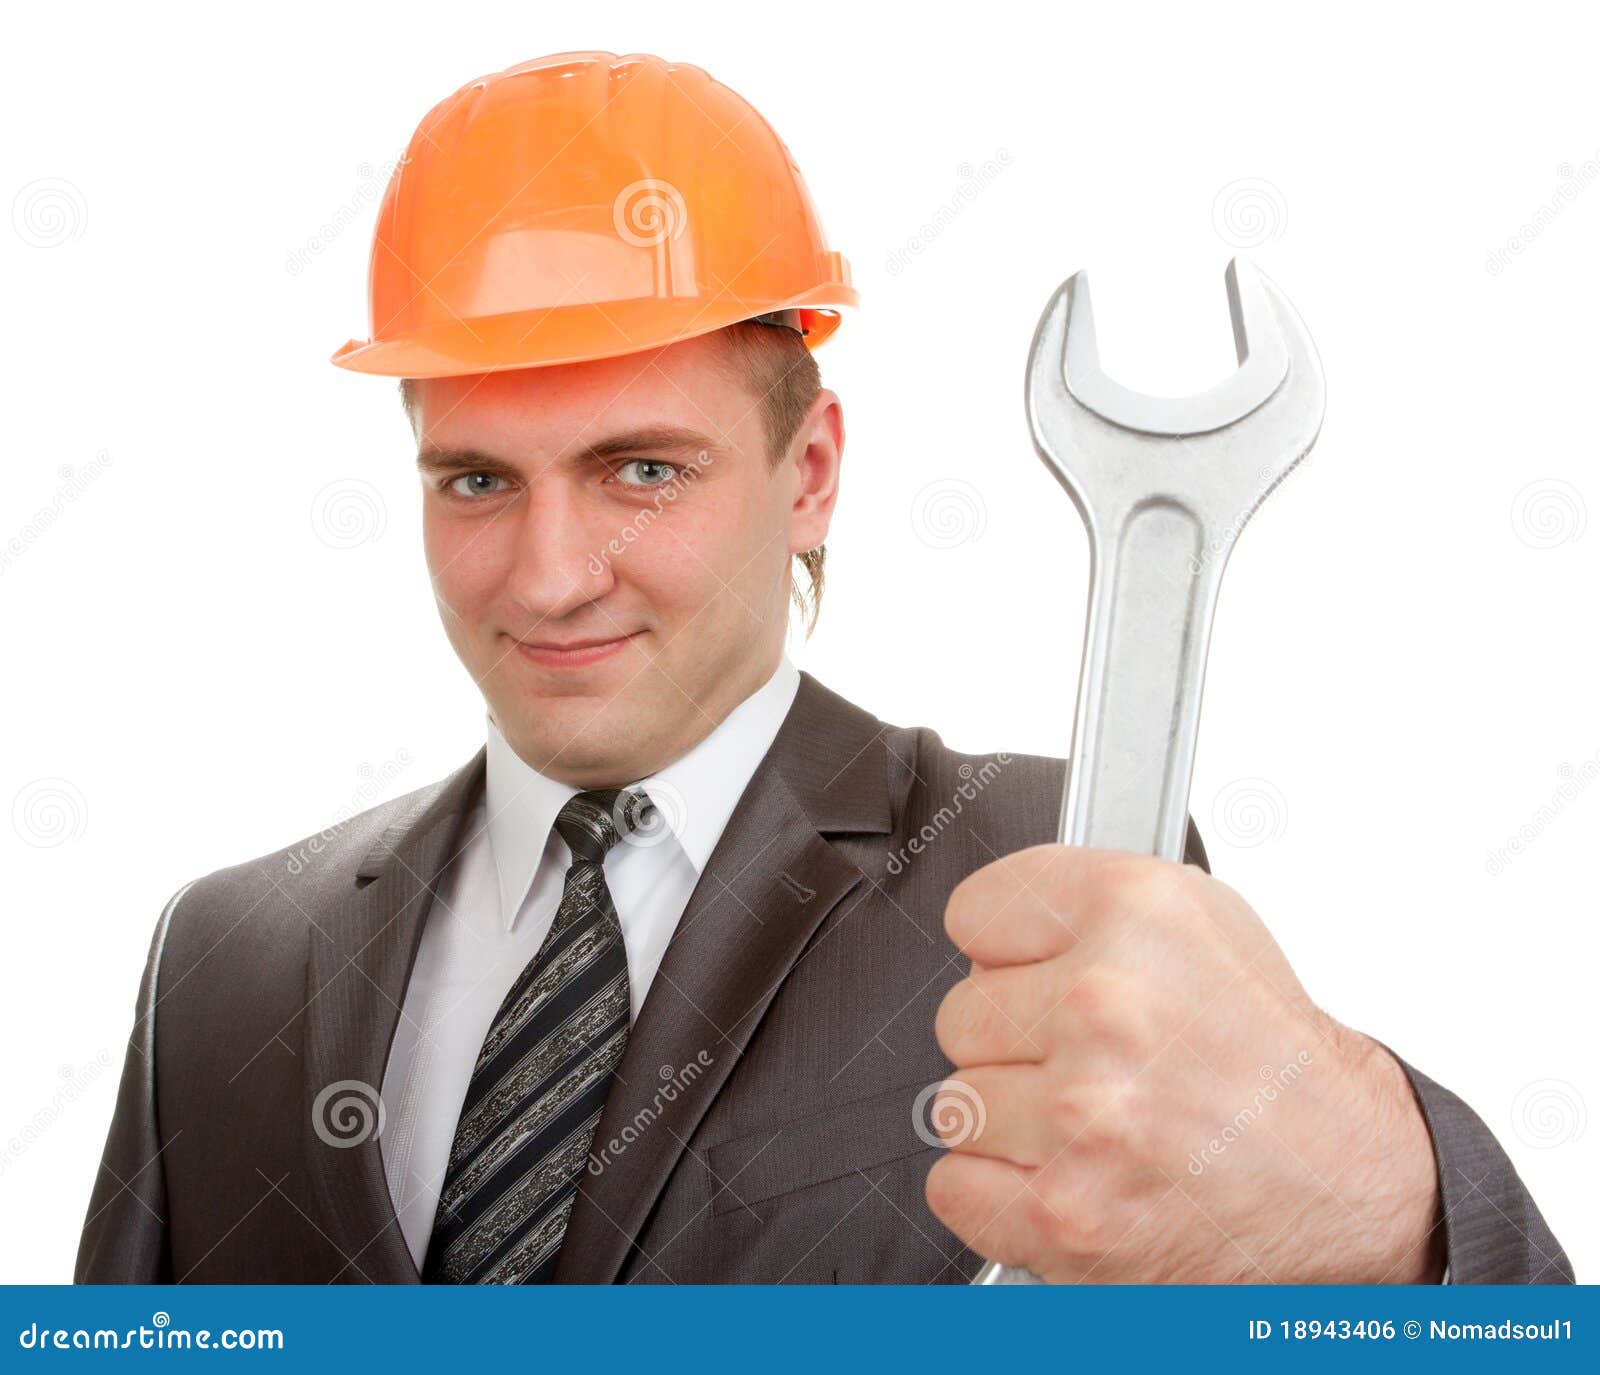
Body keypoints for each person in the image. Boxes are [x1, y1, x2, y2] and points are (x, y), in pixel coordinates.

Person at [76, 51, 1570, 1286]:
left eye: (642, 469)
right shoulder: (229, 954)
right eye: (475, 482)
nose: (545, 575)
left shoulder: (1053, 867)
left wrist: (1389, 1215)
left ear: (811, 474)